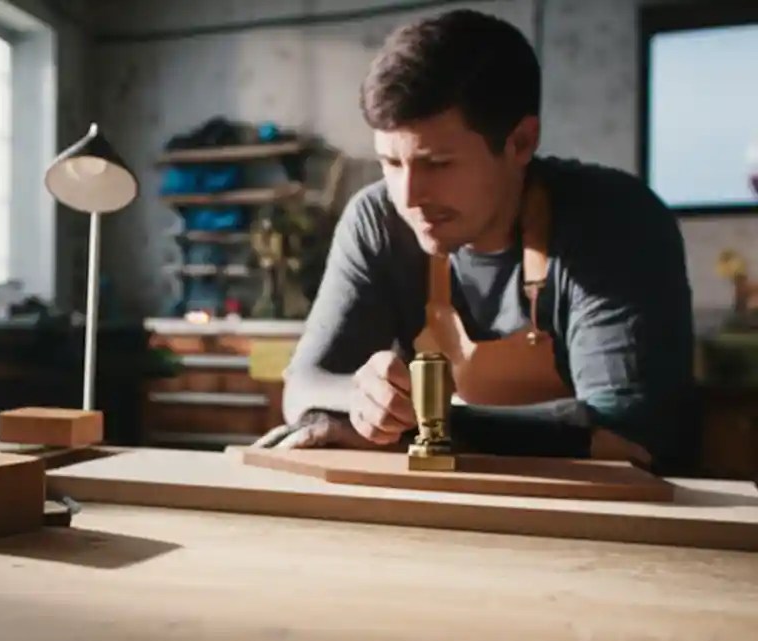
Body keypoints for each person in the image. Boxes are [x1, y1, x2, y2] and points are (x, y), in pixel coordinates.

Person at [260, 9, 698, 473]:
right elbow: (303, 386)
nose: (409, 198)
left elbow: (631, 432)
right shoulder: (378, 220)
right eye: (390, 163)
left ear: (522, 143)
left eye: (438, 164)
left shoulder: (614, 220)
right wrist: (360, 398)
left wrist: (426, 427)